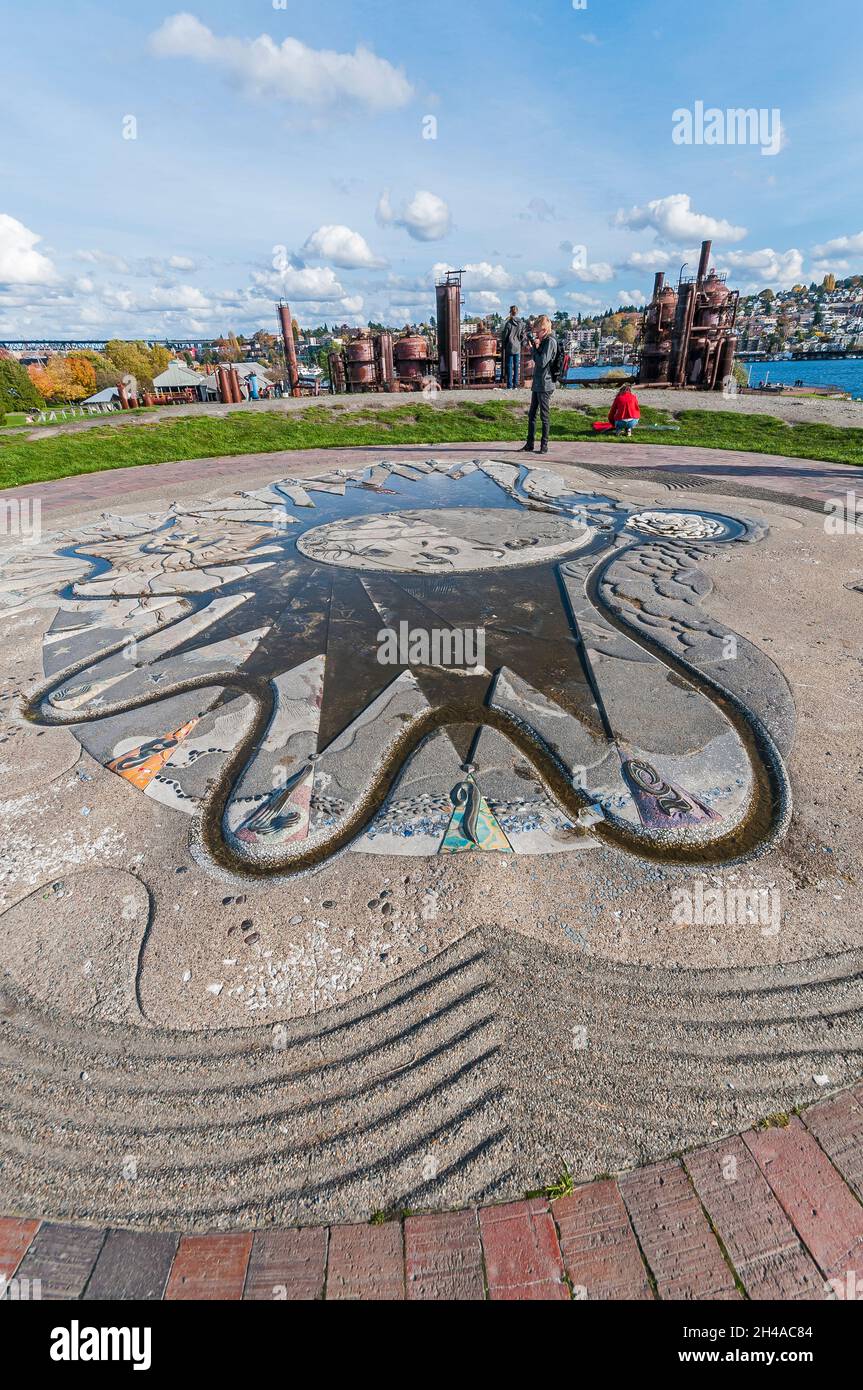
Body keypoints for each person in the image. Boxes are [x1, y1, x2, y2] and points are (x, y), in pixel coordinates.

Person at [521, 315, 558, 453]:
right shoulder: (544, 341)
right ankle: (530, 443)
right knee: (532, 415)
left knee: (544, 415)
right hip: (538, 383)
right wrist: (535, 346)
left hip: (545, 383)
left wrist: (533, 349)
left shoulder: (550, 342)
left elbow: (542, 362)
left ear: (544, 329)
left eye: (537, 332)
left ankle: (544, 445)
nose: (536, 334)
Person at [500, 305, 525, 390]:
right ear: (517, 312)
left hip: (509, 347)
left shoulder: (508, 323)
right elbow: (523, 335)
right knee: (516, 366)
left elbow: (505, 336)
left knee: (509, 366)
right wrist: (519, 341)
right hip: (517, 346)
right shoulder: (521, 323)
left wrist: (504, 343)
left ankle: (509, 385)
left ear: (510, 312)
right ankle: (515, 385)